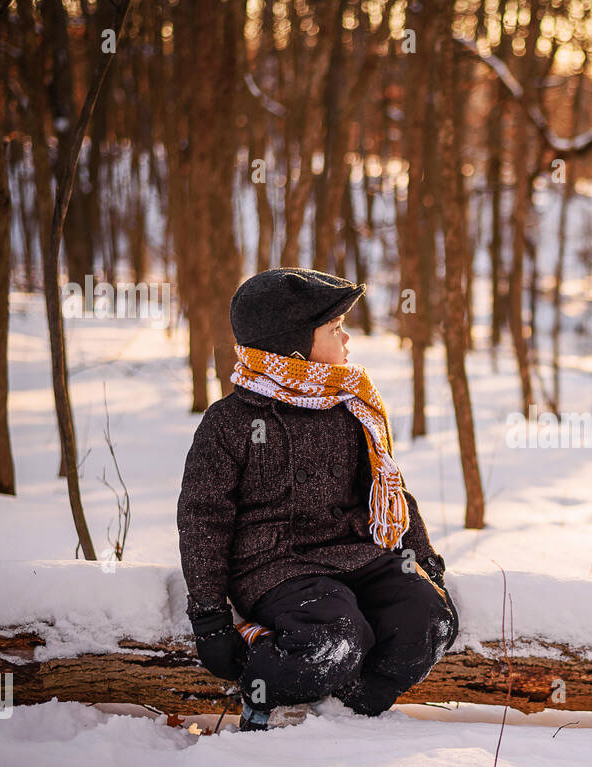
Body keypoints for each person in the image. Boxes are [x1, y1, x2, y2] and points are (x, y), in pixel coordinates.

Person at [177, 267, 457, 731]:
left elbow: (388, 490)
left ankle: (353, 713)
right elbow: (203, 519)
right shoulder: (230, 422)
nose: (347, 340)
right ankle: (262, 695)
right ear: (294, 345)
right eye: (334, 329)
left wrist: (422, 560)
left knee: (428, 617)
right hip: (272, 565)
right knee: (336, 634)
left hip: (352, 552)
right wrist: (209, 617)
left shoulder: (349, 405)